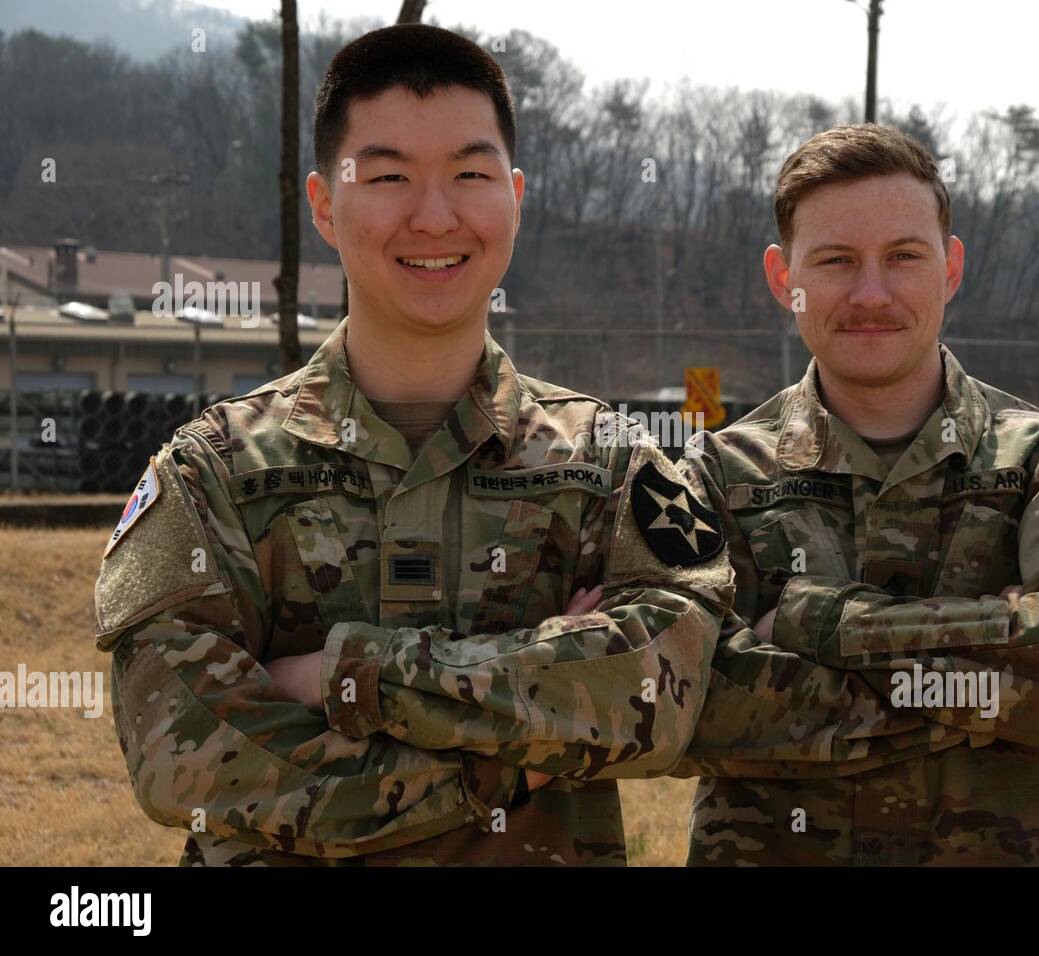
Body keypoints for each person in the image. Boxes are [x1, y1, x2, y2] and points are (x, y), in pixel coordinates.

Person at [92, 24, 735, 866]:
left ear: (515, 195)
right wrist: (504, 767)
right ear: (324, 204)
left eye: (470, 175)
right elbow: (185, 757)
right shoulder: (208, 475)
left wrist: (339, 672)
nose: (435, 216)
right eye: (389, 176)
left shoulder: (613, 466)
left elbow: (656, 693)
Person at [669, 123, 1039, 865]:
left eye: (903, 257)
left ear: (950, 267)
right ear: (784, 278)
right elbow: (680, 707)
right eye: (836, 261)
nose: (871, 293)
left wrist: (814, 624)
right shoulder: (714, 475)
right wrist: (989, 693)